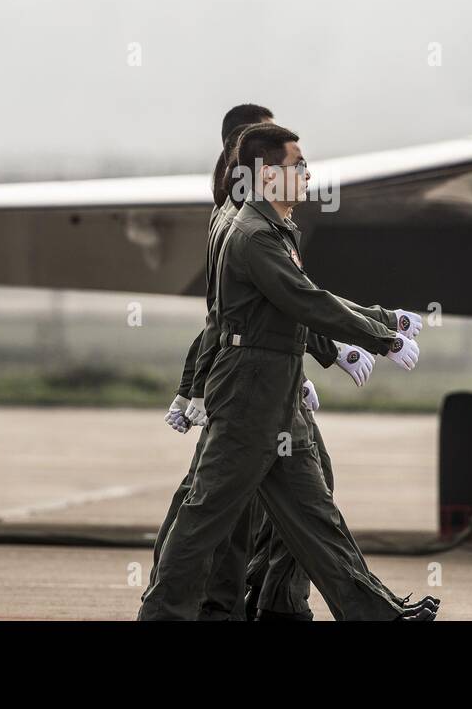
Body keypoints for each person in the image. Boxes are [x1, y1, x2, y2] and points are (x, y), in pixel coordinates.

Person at [139, 124, 437, 621]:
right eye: (297, 166)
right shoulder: (253, 236)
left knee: (317, 520)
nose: (305, 175)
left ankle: (374, 614)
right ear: (266, 174)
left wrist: (383, 319)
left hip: (277, 398)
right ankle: (162, 615)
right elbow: (305, 303)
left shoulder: (272, 232)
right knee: (205, 515)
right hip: (248, 399)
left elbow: (306, 297)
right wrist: (379, 338)